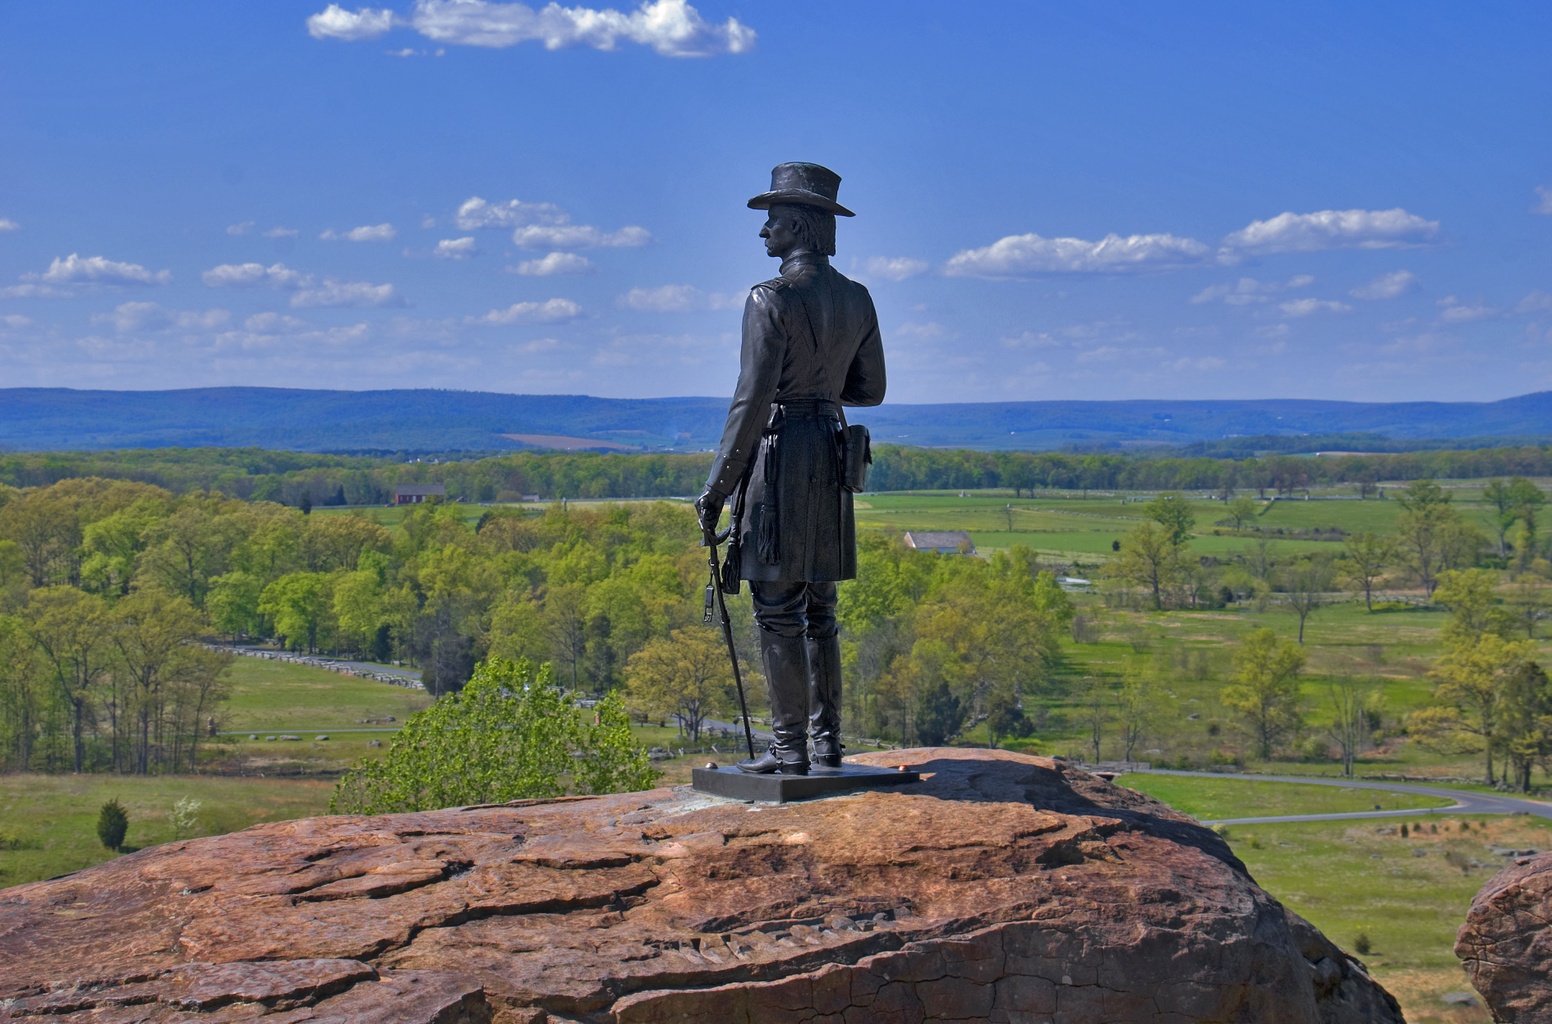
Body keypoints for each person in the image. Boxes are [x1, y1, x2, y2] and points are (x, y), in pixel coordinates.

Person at [696, 162, 886, 775]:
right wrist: (821, 387)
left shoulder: (770, 298)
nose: (763, 232)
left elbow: (751, 401)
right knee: (821, 611)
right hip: (829, 453)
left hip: (780, 459)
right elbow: (871, 389)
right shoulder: (857, 298)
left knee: (779, 610)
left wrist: (717, 488)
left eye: (772, 220)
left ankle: (789, 748)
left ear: (800, 226)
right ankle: (827, 742)